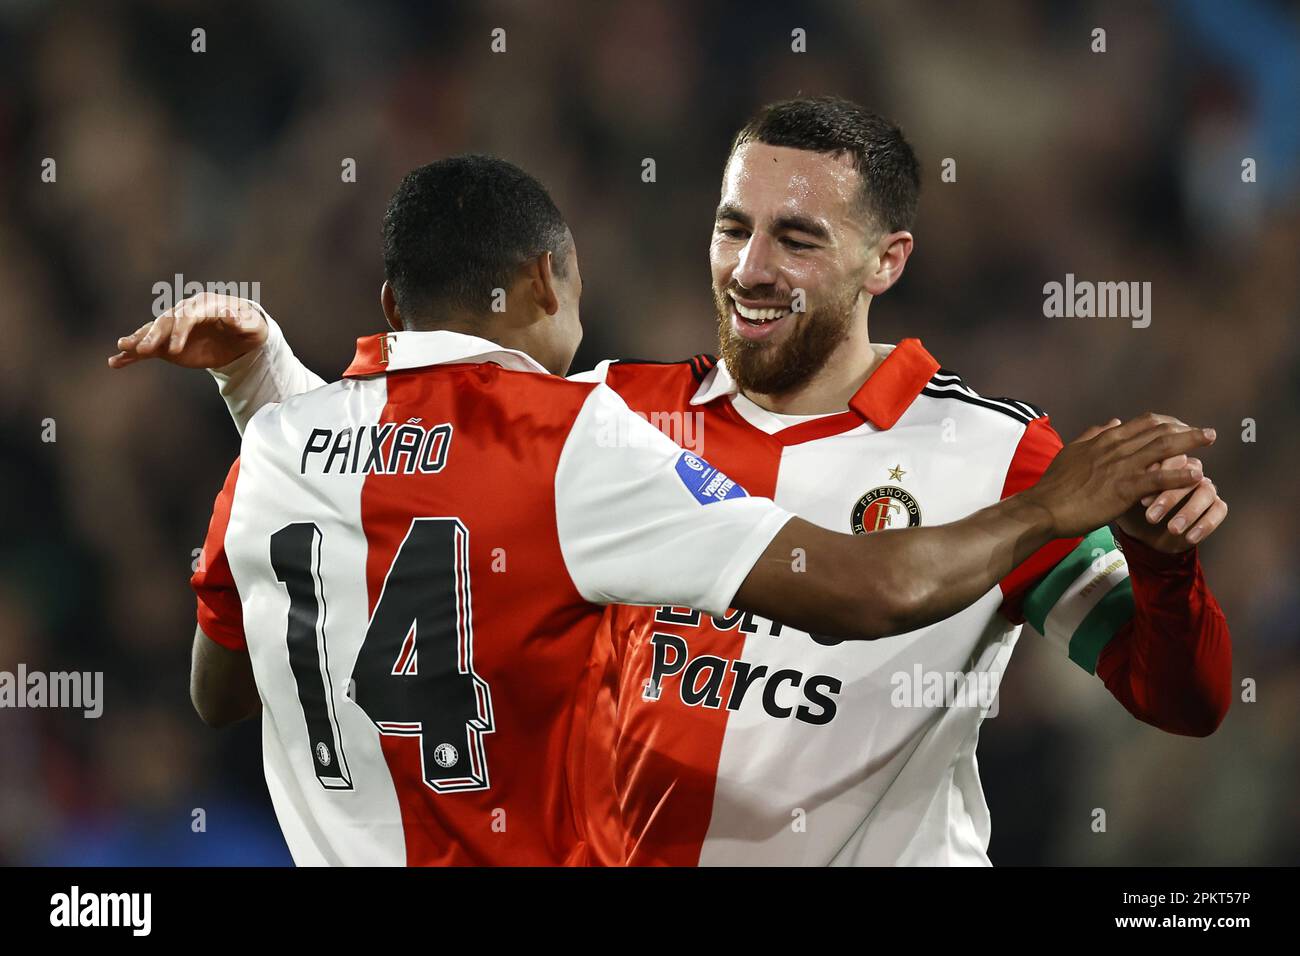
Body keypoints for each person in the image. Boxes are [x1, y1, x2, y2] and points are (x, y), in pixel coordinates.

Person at [113, 120, 1226, 866]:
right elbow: (415, 464)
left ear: (884, 261)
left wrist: (1165, 564)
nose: (750, 267)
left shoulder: (997, 456)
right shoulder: (604, 416)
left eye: (797, 237)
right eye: (733, 227)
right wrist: (275, 386)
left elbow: (1182, 696)